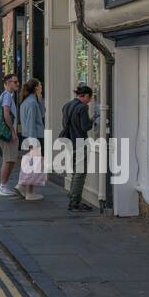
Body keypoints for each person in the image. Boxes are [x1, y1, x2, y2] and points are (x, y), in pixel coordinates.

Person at [61, 84, 96, 212]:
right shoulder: (82, 108)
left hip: (69, 141)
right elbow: (85, 127)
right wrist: (93, 118)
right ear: (85, 95)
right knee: (79, 173)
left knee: (75, 171)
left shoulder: (67, 106)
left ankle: (73, 197)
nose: (90, 100)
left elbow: (65, 124)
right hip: (79, 142)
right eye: (90, 97)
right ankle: (74, 202)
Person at [0, 73, 23, 198]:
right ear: (7, 83)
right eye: (15, 82)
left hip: (6, 132)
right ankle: (2, 186)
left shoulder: (7, 96)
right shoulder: (6, 96)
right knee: (8, 160)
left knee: (10, 160)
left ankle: (4, 185)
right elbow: (6, 113)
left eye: (17, 82)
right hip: (7, 133)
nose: (18, 84)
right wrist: (12, 131)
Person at [18, 78, 46, 202]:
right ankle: (28, 191)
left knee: (31, 163)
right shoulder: (31, 103)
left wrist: (40, 99)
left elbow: (42, 113)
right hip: (34, 136)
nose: (41, 87)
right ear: (36, 88)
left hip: (29, 136)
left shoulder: (28, 101)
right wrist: (33, 142)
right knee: (33, 164)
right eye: (40, 85)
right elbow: (31, 123)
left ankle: (24, 187)